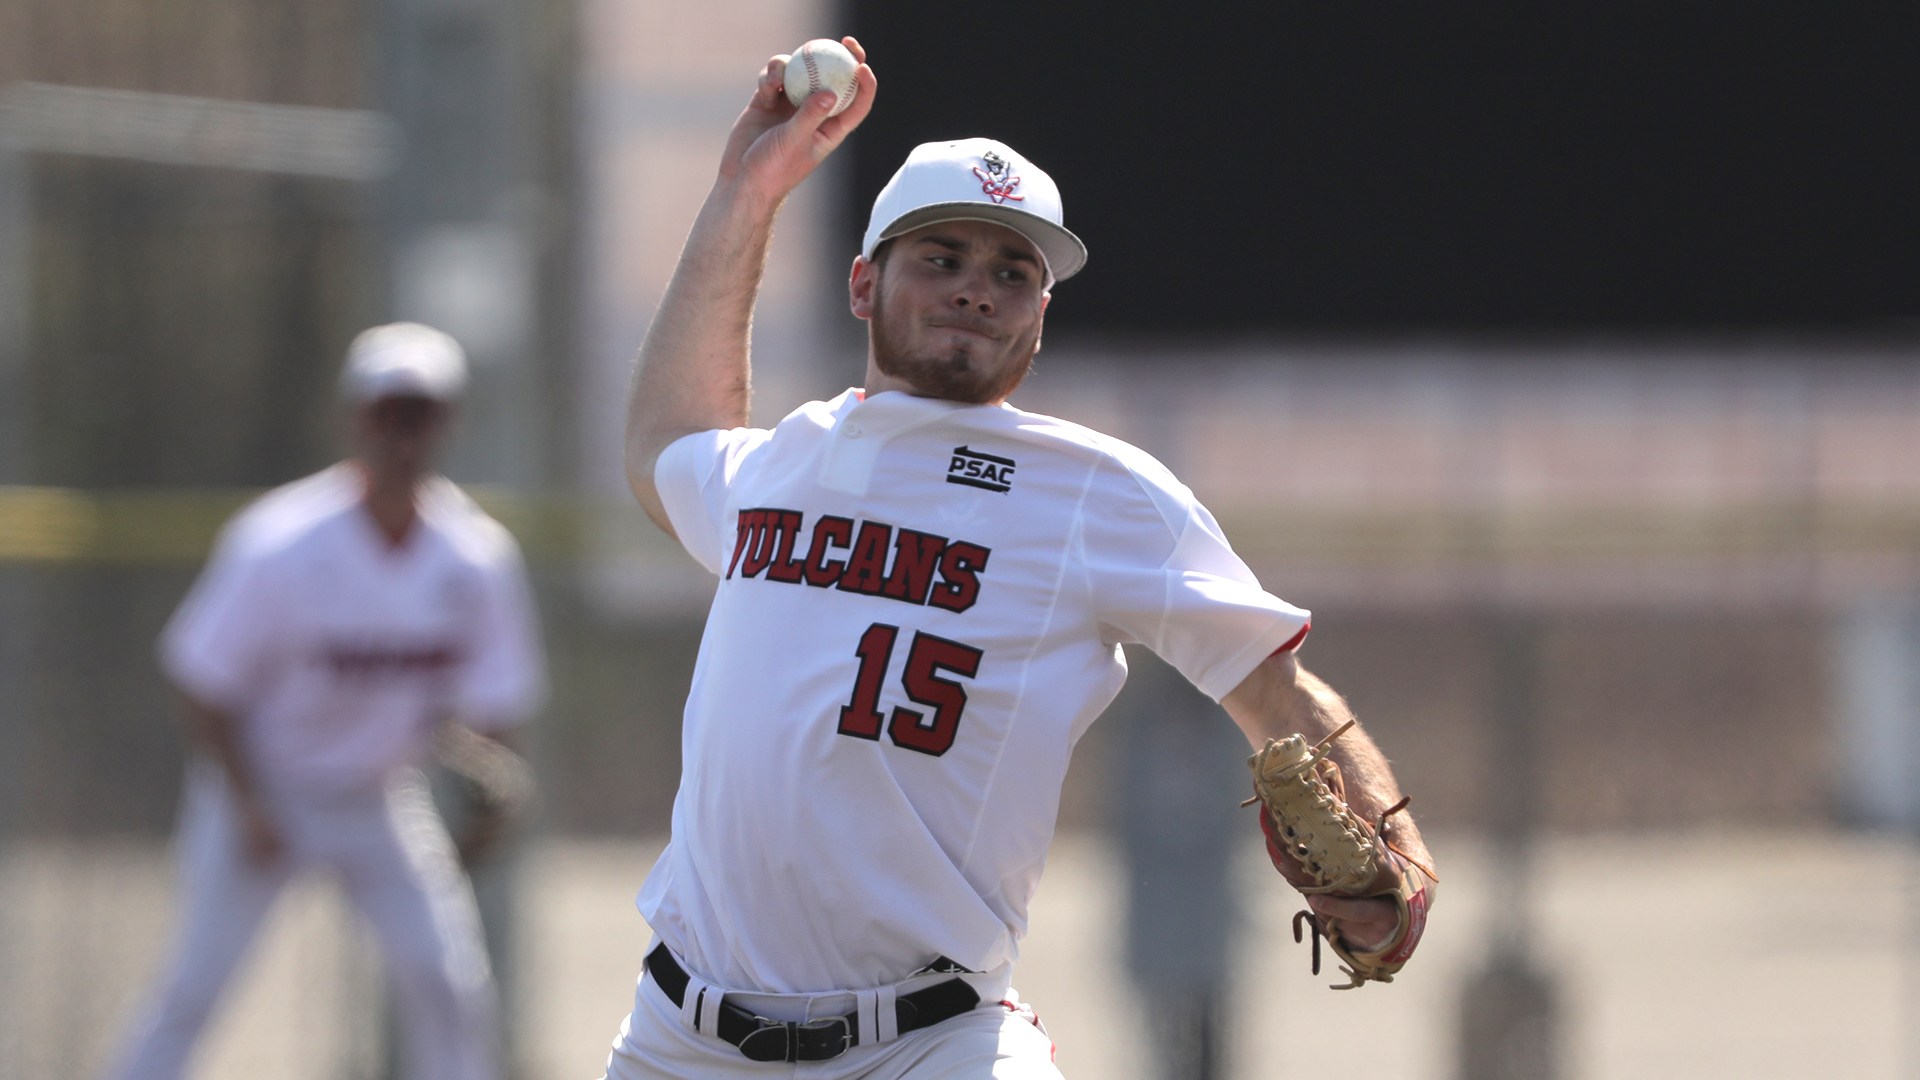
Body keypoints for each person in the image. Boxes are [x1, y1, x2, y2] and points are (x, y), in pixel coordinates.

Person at [609, 38, 1435, 1079]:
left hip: (928, 1043)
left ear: (1039, 321)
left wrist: (1400, 851)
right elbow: (662, 444)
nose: (976, 288)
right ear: (863, 284)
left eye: (1012, 272)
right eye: (940, 258)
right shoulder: (787, 458)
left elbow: (1276, 689)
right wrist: (746, 190)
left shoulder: (1092, 491)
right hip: (685, 1040)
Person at [106, 322, 546, 1080]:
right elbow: (202, 684)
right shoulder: (280, 541)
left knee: (447, 981)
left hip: (378, 797)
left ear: (448, 423)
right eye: (388, 411)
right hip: (260, 785)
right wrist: (247, 805)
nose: (403, 431)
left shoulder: (474, 557)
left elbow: (494, 706)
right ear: (355, 419)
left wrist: (490, 788)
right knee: (193, 990)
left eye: (422, 412)